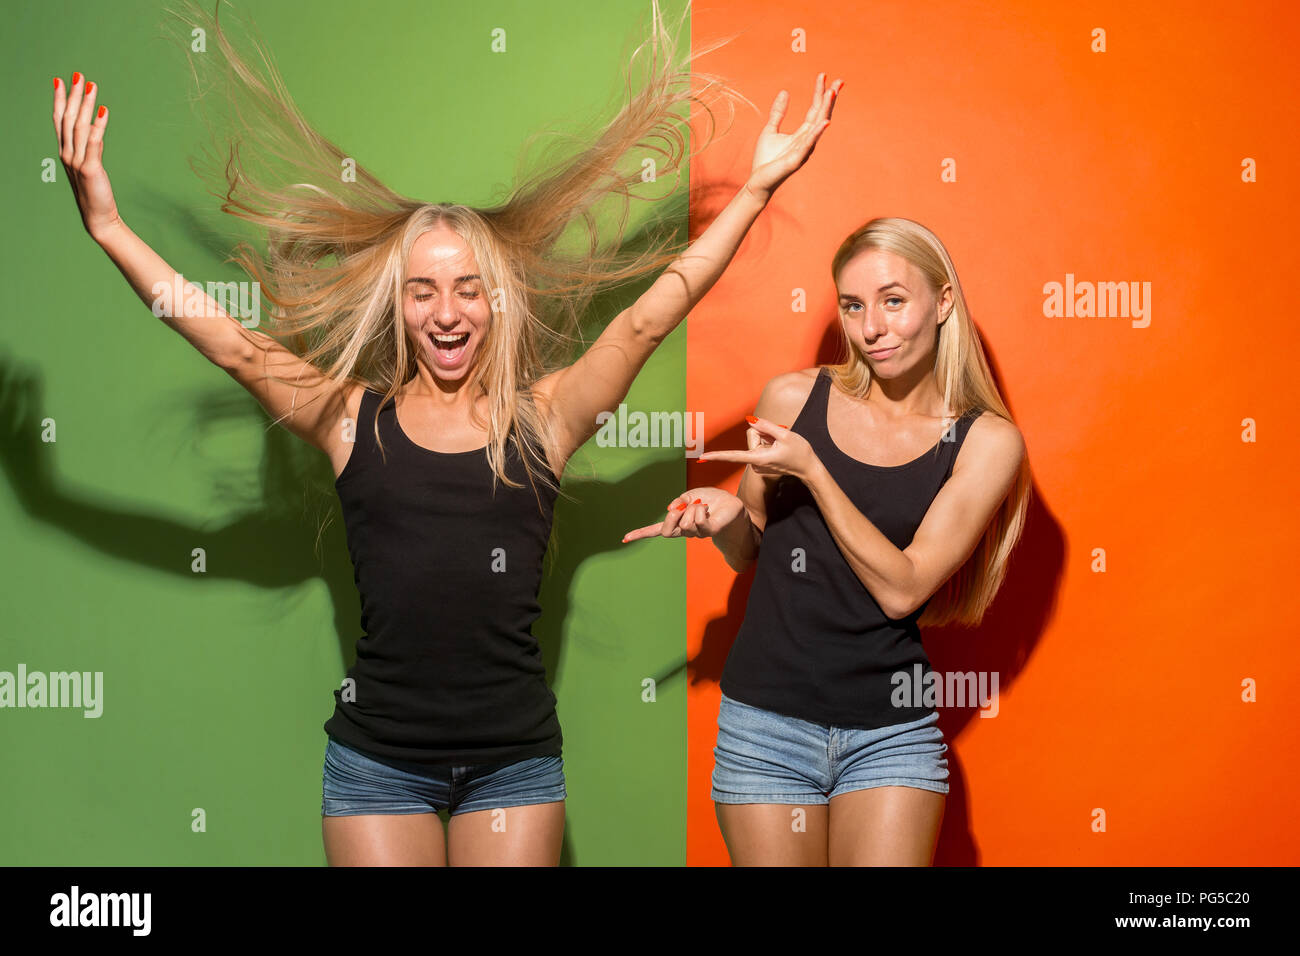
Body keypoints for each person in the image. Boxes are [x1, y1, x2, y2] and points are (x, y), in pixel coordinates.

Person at [50, 0, 843, 865]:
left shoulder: (546, 420)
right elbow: (233, 344)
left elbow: (649, 318)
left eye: (468, 288)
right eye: (423, 291)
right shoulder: (348, 421)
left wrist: (757, 189)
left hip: (514, 765)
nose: (447, 312)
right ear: (398, 307)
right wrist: (109, 227)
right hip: (376, 767)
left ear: (497, 300)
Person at [623, 216, 1030, 865]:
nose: (871, 328)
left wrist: (815, 470)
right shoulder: (791, 399)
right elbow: (751, 548)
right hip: (765, 728)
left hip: (890, 734)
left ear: (943, 301)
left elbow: (904, 590)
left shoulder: (986, 442)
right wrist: (725, 519)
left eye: (893, 300)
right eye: (853, 305)